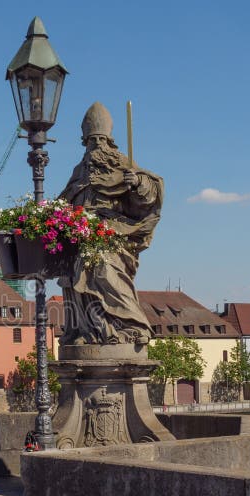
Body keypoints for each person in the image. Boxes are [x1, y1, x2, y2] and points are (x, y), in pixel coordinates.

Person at [58, 102, 164, 346]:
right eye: (92, 140)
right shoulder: (80, 170)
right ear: (85, 142)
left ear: (109, 141)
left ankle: (134, 326)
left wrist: (137, 183)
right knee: (75, 277)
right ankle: (90, 331)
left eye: (100, 140)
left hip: (111, 232)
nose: (97, 145)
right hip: (82, 234)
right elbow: (67, 198)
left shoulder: (122, 165)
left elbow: (150, 191)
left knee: (105, 271)